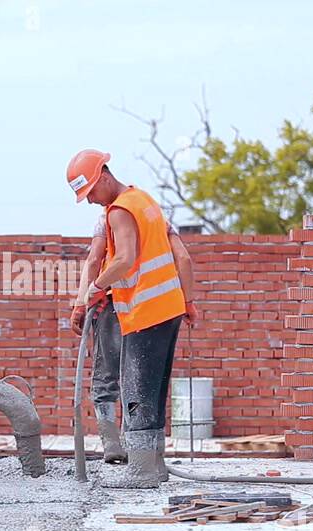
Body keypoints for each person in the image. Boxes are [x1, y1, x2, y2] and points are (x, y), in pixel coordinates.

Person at [67, 149, 187, 488]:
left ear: (104, 176)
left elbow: (124, 259)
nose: (91, 200)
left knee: (136, 389)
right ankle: (156, 466)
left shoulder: (119, 210)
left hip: (145, 311)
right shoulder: (143, 200)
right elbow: (178, 256)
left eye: (91, 191)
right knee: (153, 390)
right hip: (167, 308)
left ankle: (141, 472)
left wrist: (95, 288)